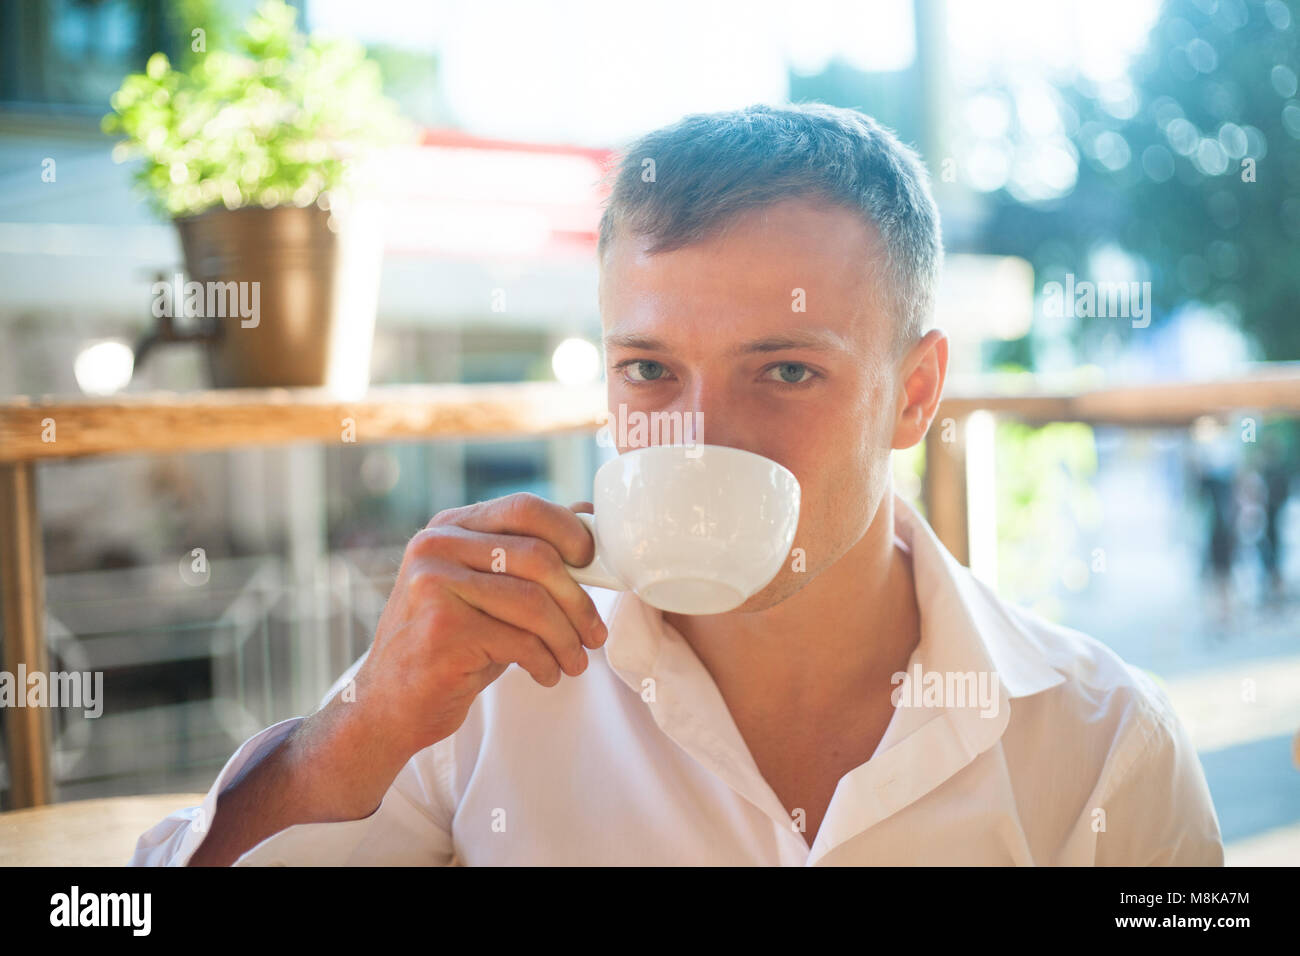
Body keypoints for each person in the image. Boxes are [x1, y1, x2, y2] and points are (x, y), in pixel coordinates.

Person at [130, 103, 1223, 866]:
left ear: (913, 392)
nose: (699, 431)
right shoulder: (481, 681)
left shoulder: (1102, 746)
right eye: (649, 368)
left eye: (786, 368)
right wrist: (362, 727)